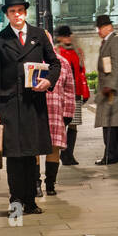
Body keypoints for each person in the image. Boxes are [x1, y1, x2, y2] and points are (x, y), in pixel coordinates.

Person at [0, 0, 61, 215]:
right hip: (9, 106)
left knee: (31, 154)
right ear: (7, 15)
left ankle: (30, 201)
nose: (17, 15)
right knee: (15, 158)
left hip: (34, 104)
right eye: (12, 11)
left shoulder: (39, 35)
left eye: (20, 10)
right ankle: (16, 201)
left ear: (25, 12)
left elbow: (55, 64)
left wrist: (48, 81)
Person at [38, 28, 75, 196]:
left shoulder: (62, 62)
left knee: (54, 148)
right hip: (36, 112)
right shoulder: (32, 64)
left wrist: (68, 113)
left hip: (55, 112)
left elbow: (69, 90)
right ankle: (36, 183)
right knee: (36, 149)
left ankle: (50, 184)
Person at [92, 14, 118, 164]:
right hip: (109, 89)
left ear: (107, 27)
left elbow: (117, 65)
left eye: (99, 28)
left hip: (112, 91)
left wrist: (110, 86)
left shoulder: (115, 41)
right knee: (111, 125)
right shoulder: (109, 41)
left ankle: (111, 155)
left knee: (109, 124)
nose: (98, 31)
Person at [54, 25, 91, 165]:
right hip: (62, 94)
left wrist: (85, 92)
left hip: (75, 93)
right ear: (59, 38)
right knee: (62, 124)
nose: (68, 38)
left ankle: (69, 154)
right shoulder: (57, 51)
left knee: (74, 124)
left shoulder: (77, 51)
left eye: (69, 35)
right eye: (65, 35)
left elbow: (82, 73)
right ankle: (62, 153)